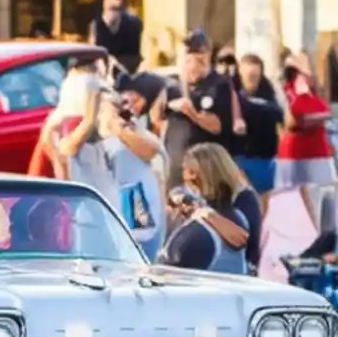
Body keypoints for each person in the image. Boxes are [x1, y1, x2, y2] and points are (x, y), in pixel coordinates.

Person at [151, 29, 236, 190]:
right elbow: (155, 116)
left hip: (204, 167)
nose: (193, 65)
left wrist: (192, 113)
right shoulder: (173, 85)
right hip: (175, 166)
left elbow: (218, 126)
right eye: (189, 59)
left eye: (199, 60)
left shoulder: (219, 84)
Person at [158, 142, 256, 272]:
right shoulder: (240, 213)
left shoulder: (198, 233)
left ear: (194, 175)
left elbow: (168, 274)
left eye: (185, 170)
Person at [97, 89, 167, 259]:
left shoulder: (134, 132)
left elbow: (150, 151)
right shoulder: (92, 139)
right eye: (112, 106)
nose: (119, 110)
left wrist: (120, 130)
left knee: (141, 258)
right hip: (106, 211)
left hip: (136, 204)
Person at [277, 53, 337, 189]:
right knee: (297, 201)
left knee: (327, 199)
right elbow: (290, 122)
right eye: (293, 72)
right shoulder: (286, 92)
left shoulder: (314, 94)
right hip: (294, 157)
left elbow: (326, 113)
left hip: (319, 154)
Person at [234, 53, 284, 193]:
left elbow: (280, 115)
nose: (251, 79)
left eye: (255, 76)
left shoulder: (268, 91)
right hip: (240, 158)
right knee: (247, 197)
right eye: (248, 75)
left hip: (266, 159)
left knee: (264, 201)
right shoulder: (232, 91)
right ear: (240, 72)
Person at [89, 0, 143, 73]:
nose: (112, 13)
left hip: (126, 69)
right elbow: (93, 51)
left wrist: (117, 64)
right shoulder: (96, 26)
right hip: (103, 69)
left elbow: (134, 55)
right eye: (109, 9)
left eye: (116, 9)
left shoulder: (131, 26)